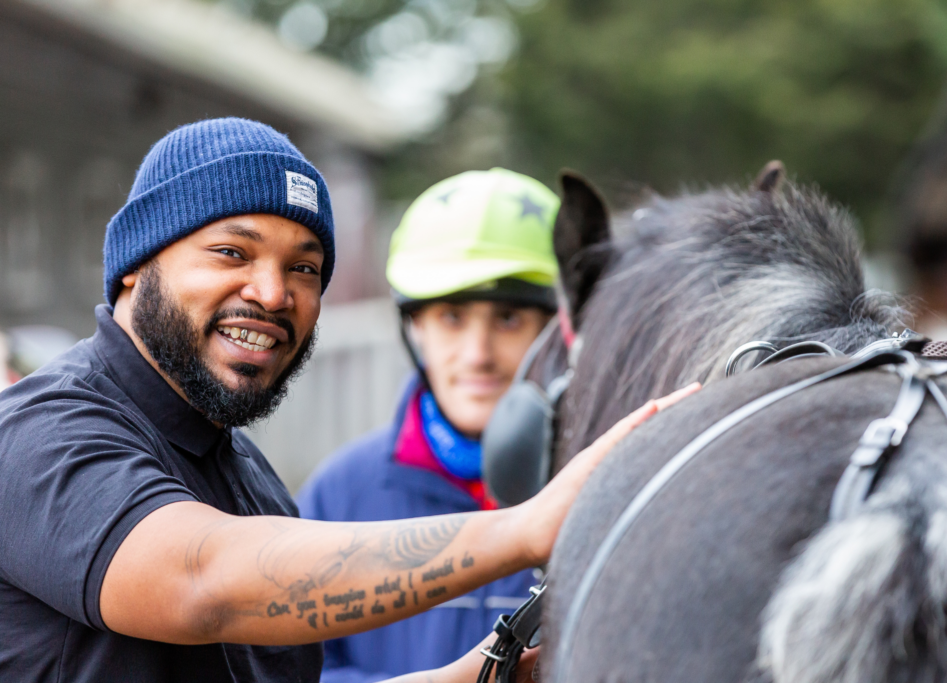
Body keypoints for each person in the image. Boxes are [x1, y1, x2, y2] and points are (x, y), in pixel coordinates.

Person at [0, 118, 699, 683]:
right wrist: (527, 528)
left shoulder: (253, 482)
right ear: (133, 269)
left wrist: (472, 677)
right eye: (233, 253)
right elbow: (201, 579)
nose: (274, 293)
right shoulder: (39, 433)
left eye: (303, 267)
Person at [297, 168, 562, 682]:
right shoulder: (340, 497)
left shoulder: (609, 488)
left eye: (508, 319)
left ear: (558, 328)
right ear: (413, 326)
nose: (478, 355)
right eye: (452, 318)